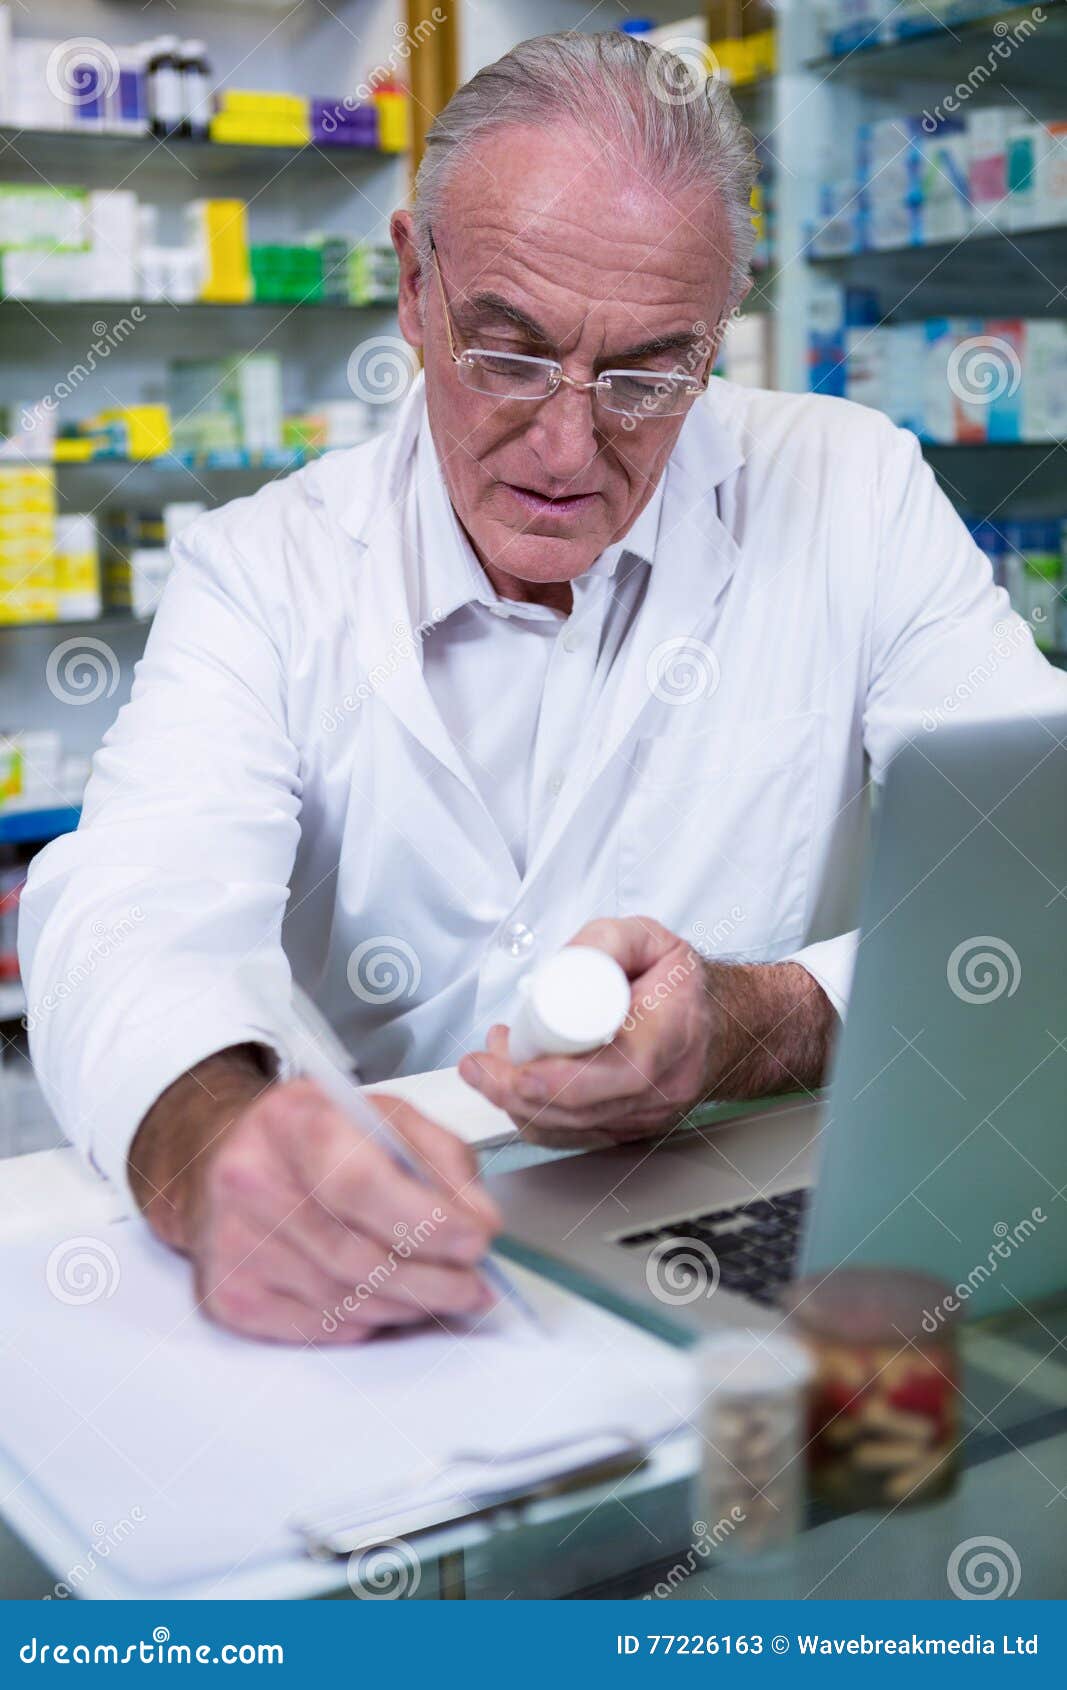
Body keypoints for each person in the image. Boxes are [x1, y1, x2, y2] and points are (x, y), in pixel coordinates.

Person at [19, 32, 1066, 1344]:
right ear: (415, 283)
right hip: (394, 1274)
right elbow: (127, 912)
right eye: (508, 355)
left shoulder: (850, 488)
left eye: (647, 375)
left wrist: (758, 1020)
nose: (568, 448)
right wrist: (215, 1139)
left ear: (717, 337)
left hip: (737, 1227)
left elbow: (1035, 868)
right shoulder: (266, 571)